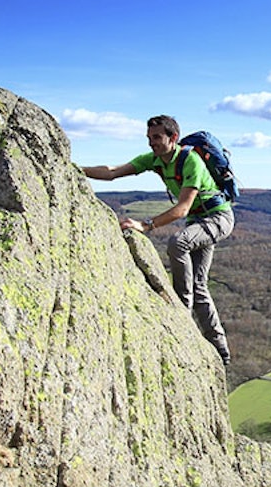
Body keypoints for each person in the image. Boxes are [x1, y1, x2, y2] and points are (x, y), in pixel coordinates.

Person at [83, 115, 235, 366]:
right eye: (149, 138)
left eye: (156, 137)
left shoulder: (190, 161)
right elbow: (112, 173)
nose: (151, 143)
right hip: (199, 222)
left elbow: (183, 208)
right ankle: (220, 349)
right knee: (199, 286)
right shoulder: (153, 160)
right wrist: (76, 169)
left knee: (178, 243)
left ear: (172, 138)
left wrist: (146, 225)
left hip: (218, 218)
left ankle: (181, 313)